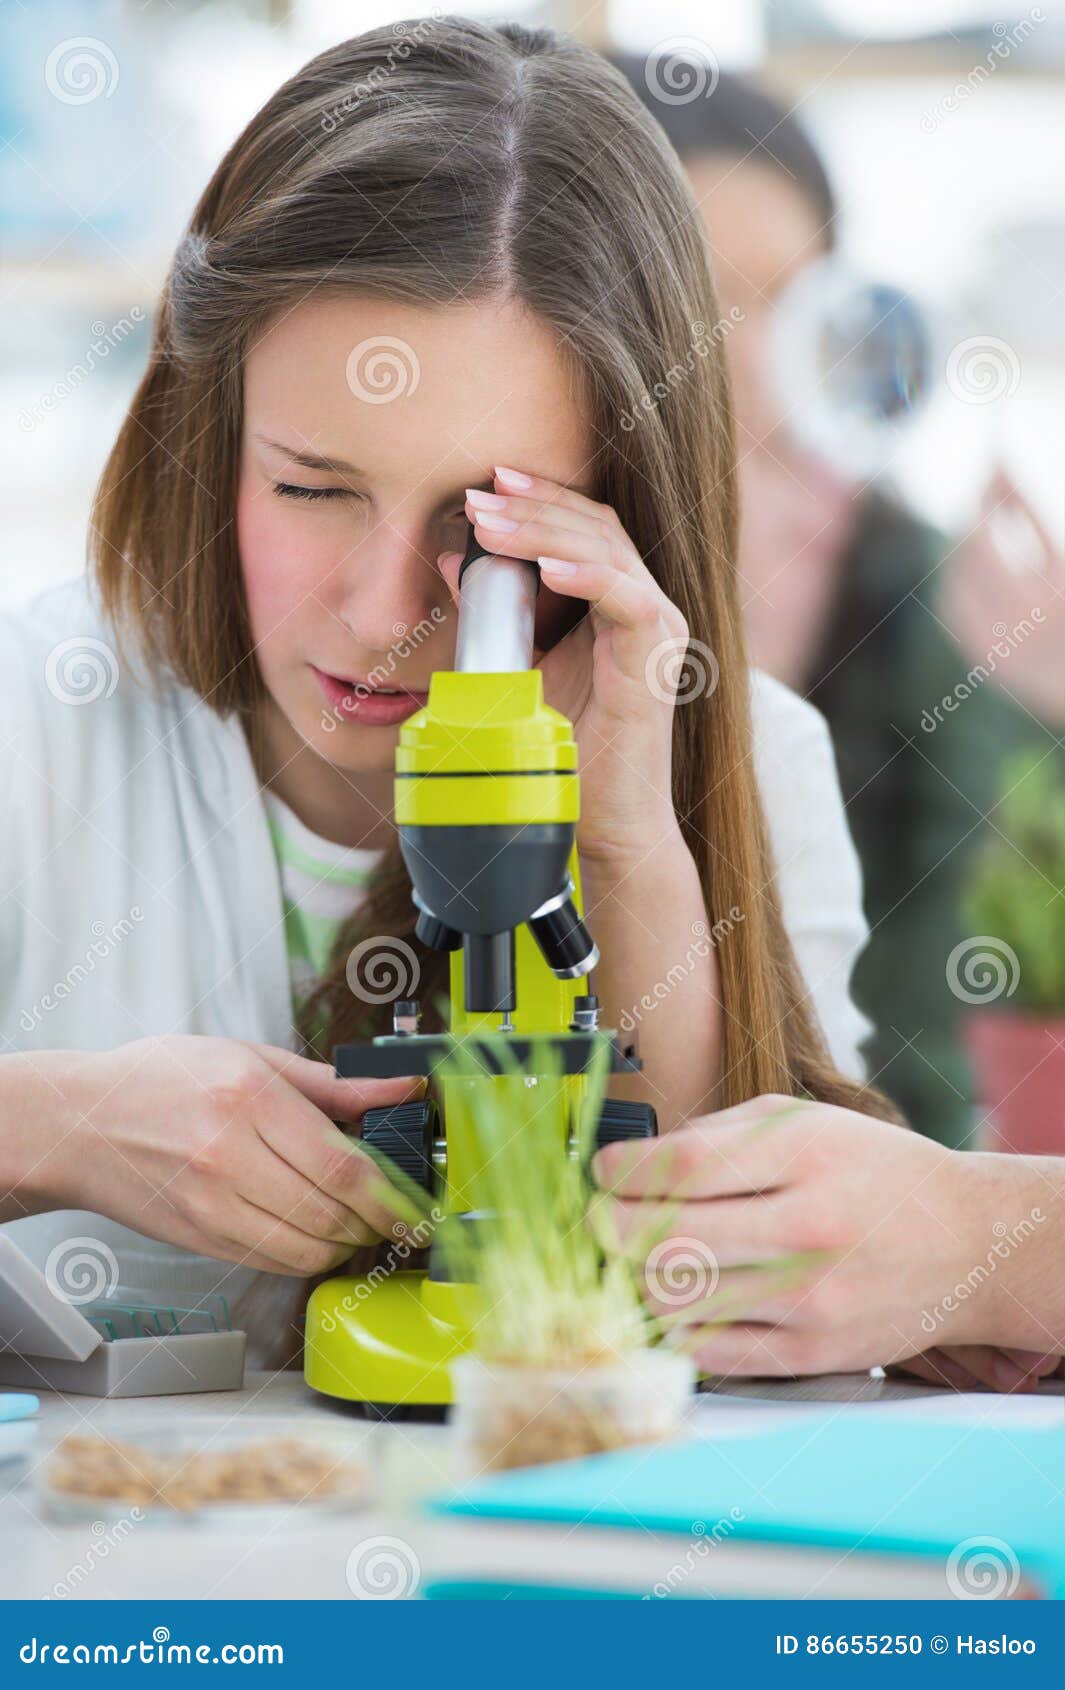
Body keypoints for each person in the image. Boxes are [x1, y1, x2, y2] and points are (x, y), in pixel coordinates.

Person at [1, 21, 1057, 1388]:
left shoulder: (759, 759)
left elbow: (717, 1293)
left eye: (480, 529)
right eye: (313, 488)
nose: (384, 612)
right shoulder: (39, 717)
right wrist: (51, 1124)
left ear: (624, 509)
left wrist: (625, 839)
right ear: (209, 439)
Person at [609, 57, 1065, 1150]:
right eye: (695, 302)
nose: (749, 359)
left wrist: (1038, 715)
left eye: (783, 299)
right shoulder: (503, 598)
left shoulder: (930, 591)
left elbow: (929, 1056)